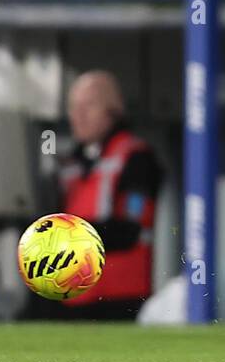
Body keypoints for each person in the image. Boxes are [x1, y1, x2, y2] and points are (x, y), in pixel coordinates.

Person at [26, 71, 163, 319]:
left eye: (88, 106)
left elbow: (129, 230)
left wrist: (64, 238)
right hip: (71, 298)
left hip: (119, 300)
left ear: (113, 110)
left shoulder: (136, 159)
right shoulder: (69, 164)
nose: (78, 116)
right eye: (73, 107)